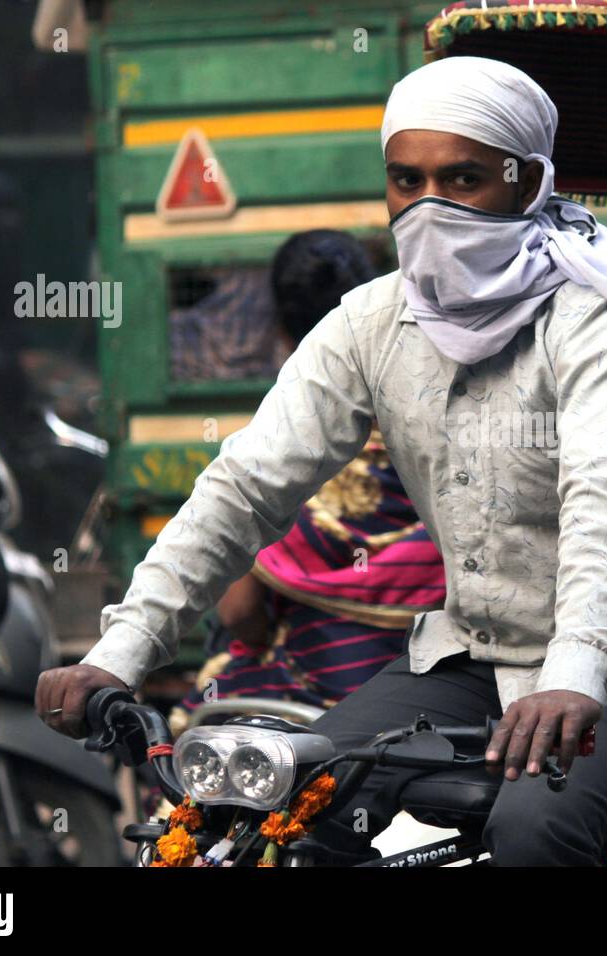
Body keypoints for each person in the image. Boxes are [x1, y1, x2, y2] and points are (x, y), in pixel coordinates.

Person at [37, 56, 607, 866]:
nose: (429, 209)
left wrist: (576, 676)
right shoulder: (372, 323)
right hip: (476, 657)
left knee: (533, 831)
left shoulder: (598, 324)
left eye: (464, 179)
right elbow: (242, 488)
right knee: (290, 799)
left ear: (530, 185)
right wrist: (117, 654)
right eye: (406, 182)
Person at [171, 232, 446, 734]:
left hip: (305, 704)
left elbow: (240, 612)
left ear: (278, 328)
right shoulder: (442, 442)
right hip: (437, 702)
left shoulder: (274, 453)